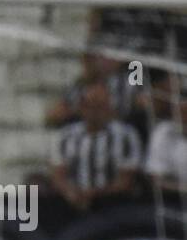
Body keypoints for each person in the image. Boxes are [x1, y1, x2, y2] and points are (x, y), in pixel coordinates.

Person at [49, 78, 143, 214]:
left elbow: (126, 180)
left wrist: (92, 195)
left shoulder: (126, 135)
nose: (95, 111)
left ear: (109, 106)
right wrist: (71, 193)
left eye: (101, 105)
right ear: (81, 107)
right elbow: (58, 174)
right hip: (72, 202)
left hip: (113, 204)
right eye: (90, 105)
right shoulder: (65, 136)